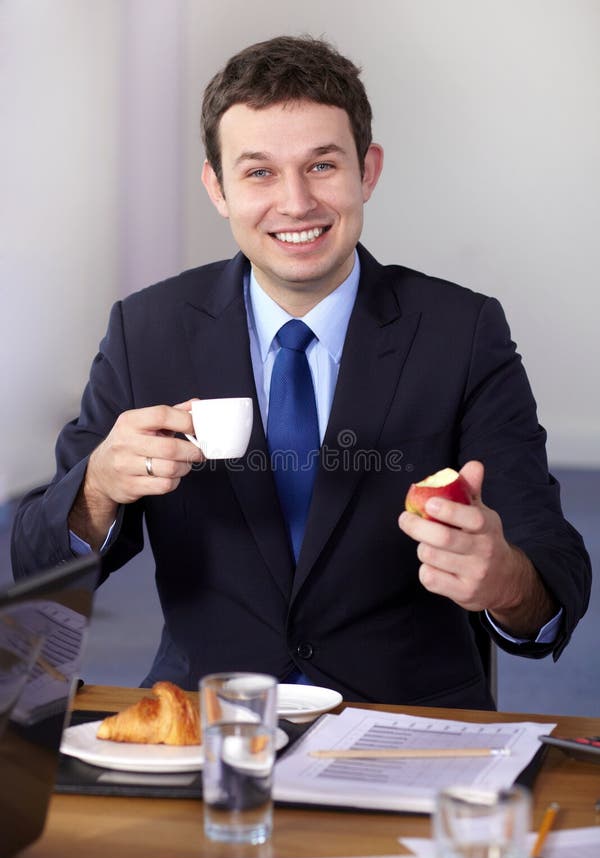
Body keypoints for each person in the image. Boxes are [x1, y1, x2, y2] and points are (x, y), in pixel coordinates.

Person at [11, 35, 590, 709]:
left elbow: (554, 573)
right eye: (258, 172)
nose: (294, 202)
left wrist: (504, 581)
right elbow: (36, 564)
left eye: (321, 166)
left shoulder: (461, 332)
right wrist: (99, 488)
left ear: (366, 171)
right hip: (206, 720)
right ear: (218, 187)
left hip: (407, 725)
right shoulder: (149, 330)